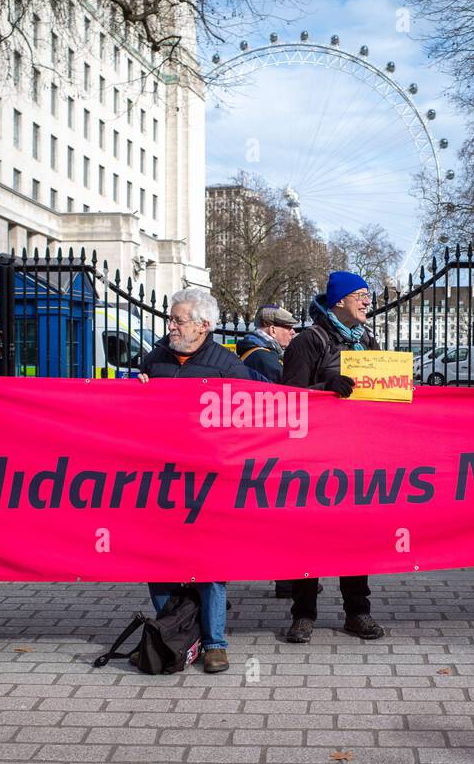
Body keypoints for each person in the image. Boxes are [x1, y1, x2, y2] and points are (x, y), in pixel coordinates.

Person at [136, 287, 263, 673]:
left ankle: (214, 642)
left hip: (210, 480)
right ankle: (174, 630)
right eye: (170, 318)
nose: (170, 326)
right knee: (158, 560)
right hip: (161, 477)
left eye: (178, 320)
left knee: (209, 563)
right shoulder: (155, 359)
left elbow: (257, 411)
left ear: (204, 326)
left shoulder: (227, 366)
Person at [279, 271, 386, 643]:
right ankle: (303, 614)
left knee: (356, 537)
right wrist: (326, 389)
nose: (367, 301)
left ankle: (358, 612)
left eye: (367, 295)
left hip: (356, 456)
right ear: (338, 300)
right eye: (360, 295)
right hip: (314, 458)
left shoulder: (368, 341)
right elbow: (288, 400)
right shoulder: (310, 341)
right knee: (309, 536)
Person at [236, 305, 297, 382]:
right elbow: (289, 387)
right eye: (289, 328)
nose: (293, 332)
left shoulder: (256, 351)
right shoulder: (264, 357)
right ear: (273, 330)